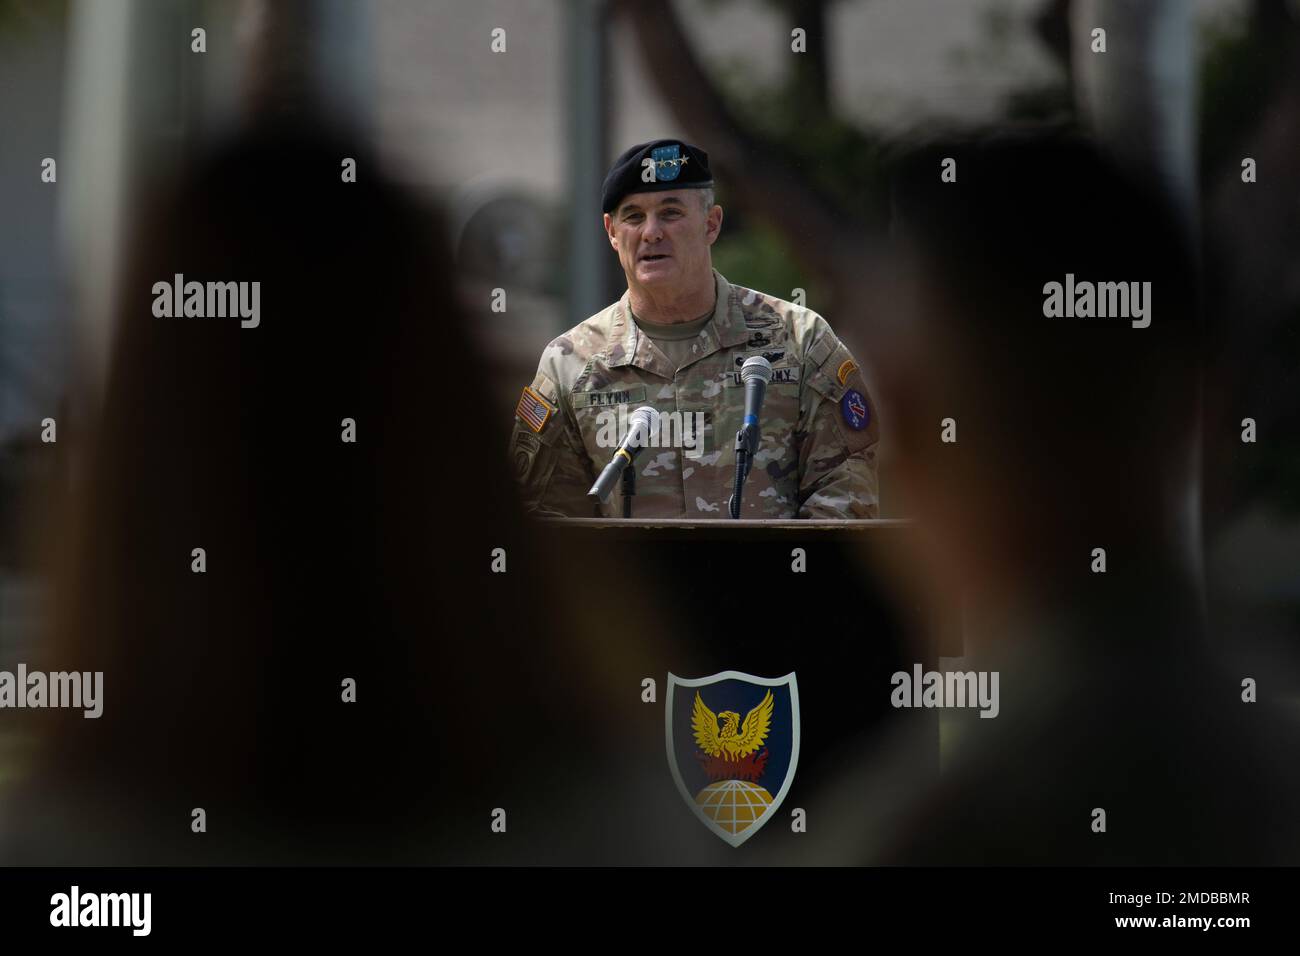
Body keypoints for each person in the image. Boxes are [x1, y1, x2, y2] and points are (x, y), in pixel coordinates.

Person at [509, 139, 880, 519]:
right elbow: (545, 518)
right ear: (612, 232)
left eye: (670, 213)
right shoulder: (570, 364)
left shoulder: (799, 341)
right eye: (633, 217)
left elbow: (845, 492)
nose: (651, 232)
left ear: (711, 224)